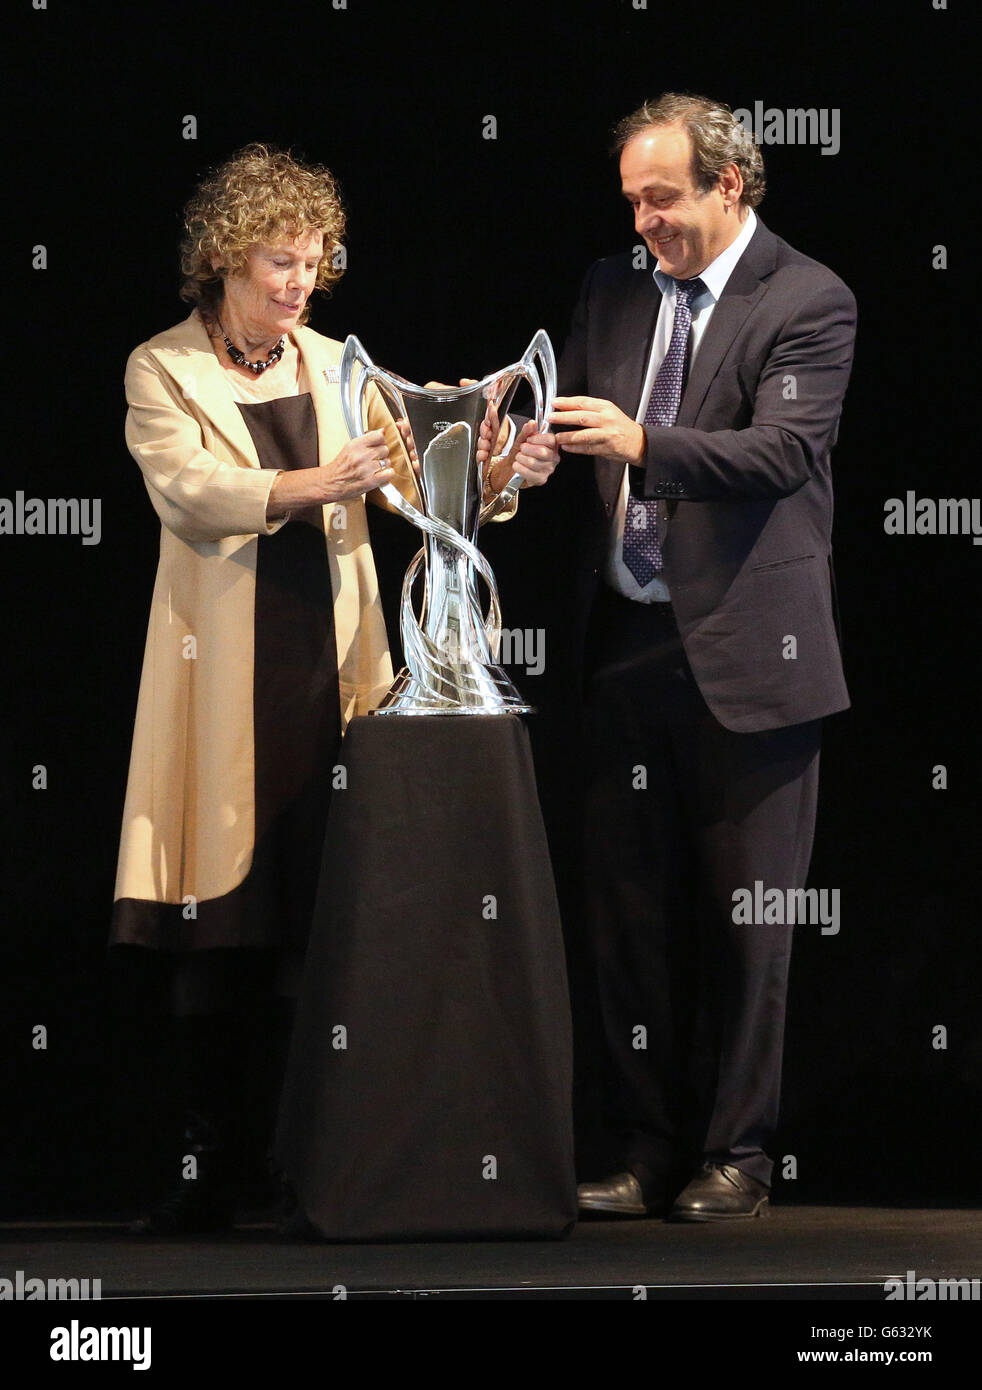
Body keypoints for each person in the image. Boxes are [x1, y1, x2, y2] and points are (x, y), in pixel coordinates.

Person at [110, 142, 555, 1234]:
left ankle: (318, 1158)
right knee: (218, 926)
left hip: (336, 674)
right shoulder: (162, 368)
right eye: (278, 261)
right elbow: (192, 494)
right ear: (222, 257)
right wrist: (318, 482)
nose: (299, 281)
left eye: (314, 260)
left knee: (331, 929)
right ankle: (212, 1169)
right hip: (223, 682)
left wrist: (496, 475)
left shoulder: (333, 364)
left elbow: (418, 484)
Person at [545, 93, 856, 1220]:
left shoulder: (808, 297)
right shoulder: (612, 287)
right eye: (632, 200)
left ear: (730, 184)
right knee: (627, 918)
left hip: (753, 659)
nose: (644, 222)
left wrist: (641, 442)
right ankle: (641, 1146)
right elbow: (577, 431)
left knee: (749, 924)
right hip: (626, 643)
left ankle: (740, 1153)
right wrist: (531, 452)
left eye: (662, 198)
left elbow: (780, 450)